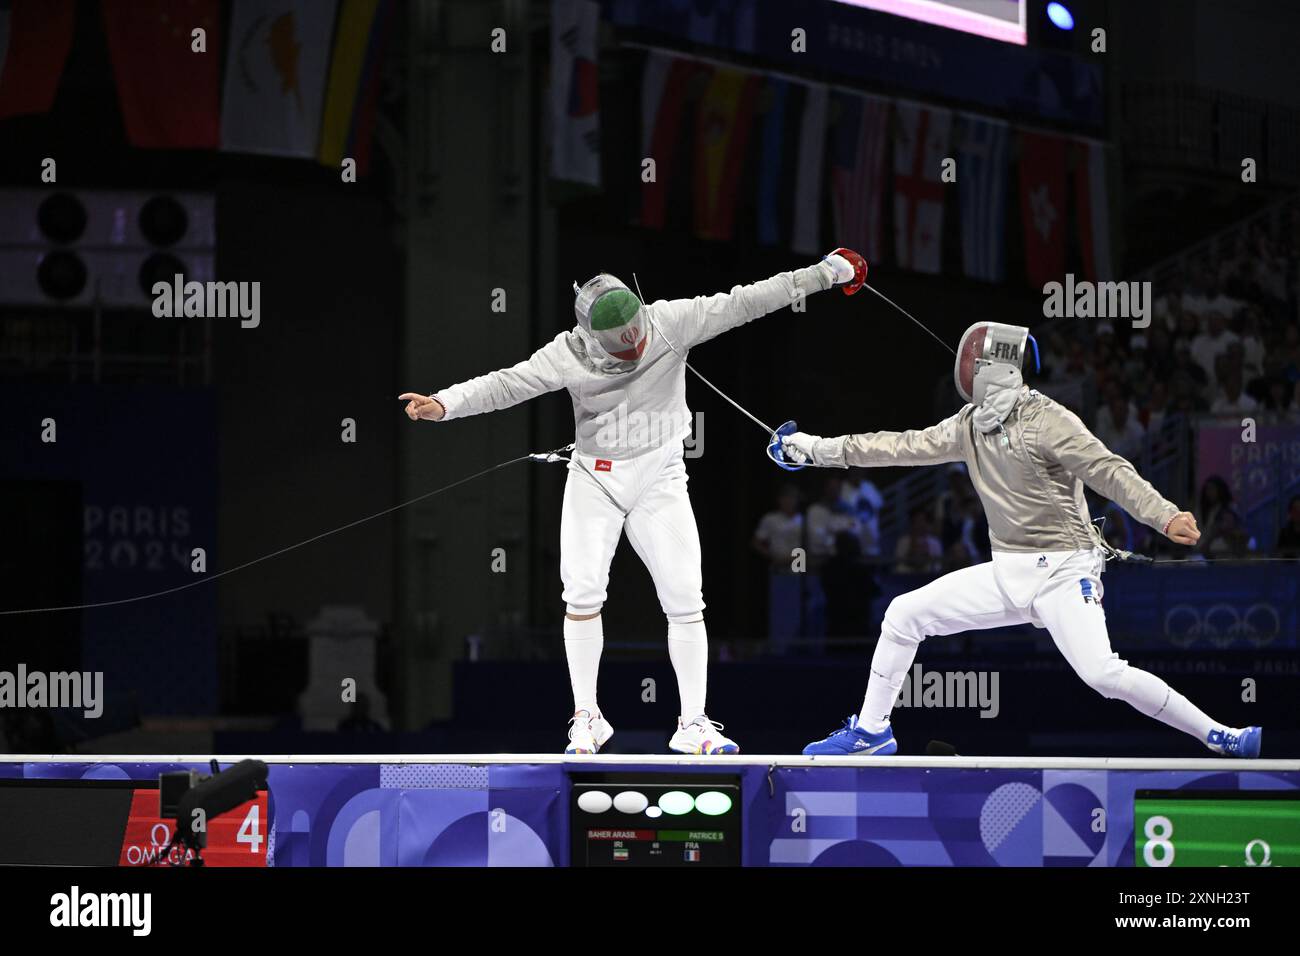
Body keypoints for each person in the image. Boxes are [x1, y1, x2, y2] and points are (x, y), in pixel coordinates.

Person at [400, 251, 862, 754]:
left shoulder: (670, 322)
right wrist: (445, 403)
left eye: (638, 336)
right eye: (622, 346)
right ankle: (587, 717)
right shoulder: (568, 354)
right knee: (581, 593)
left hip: (661, 475)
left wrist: (827, 273)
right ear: (592, 338)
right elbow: (507, 383)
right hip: (595, 480)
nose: (635, 348)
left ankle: (693, 725)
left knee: (686, 596)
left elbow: (749, 300)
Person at [781, 320, 1262, 759]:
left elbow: (1106, 469)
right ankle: (871, 732)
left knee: (1102, 674)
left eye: (973, 363)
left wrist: (1163, 513)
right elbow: (896, 446)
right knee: (903, 615)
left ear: (990, 370)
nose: (965, 371)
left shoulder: (1049, 420)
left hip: (1063, 572)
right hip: (1008, 572)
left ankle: (1219, 734)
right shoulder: (968, 426)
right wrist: (814, 451)